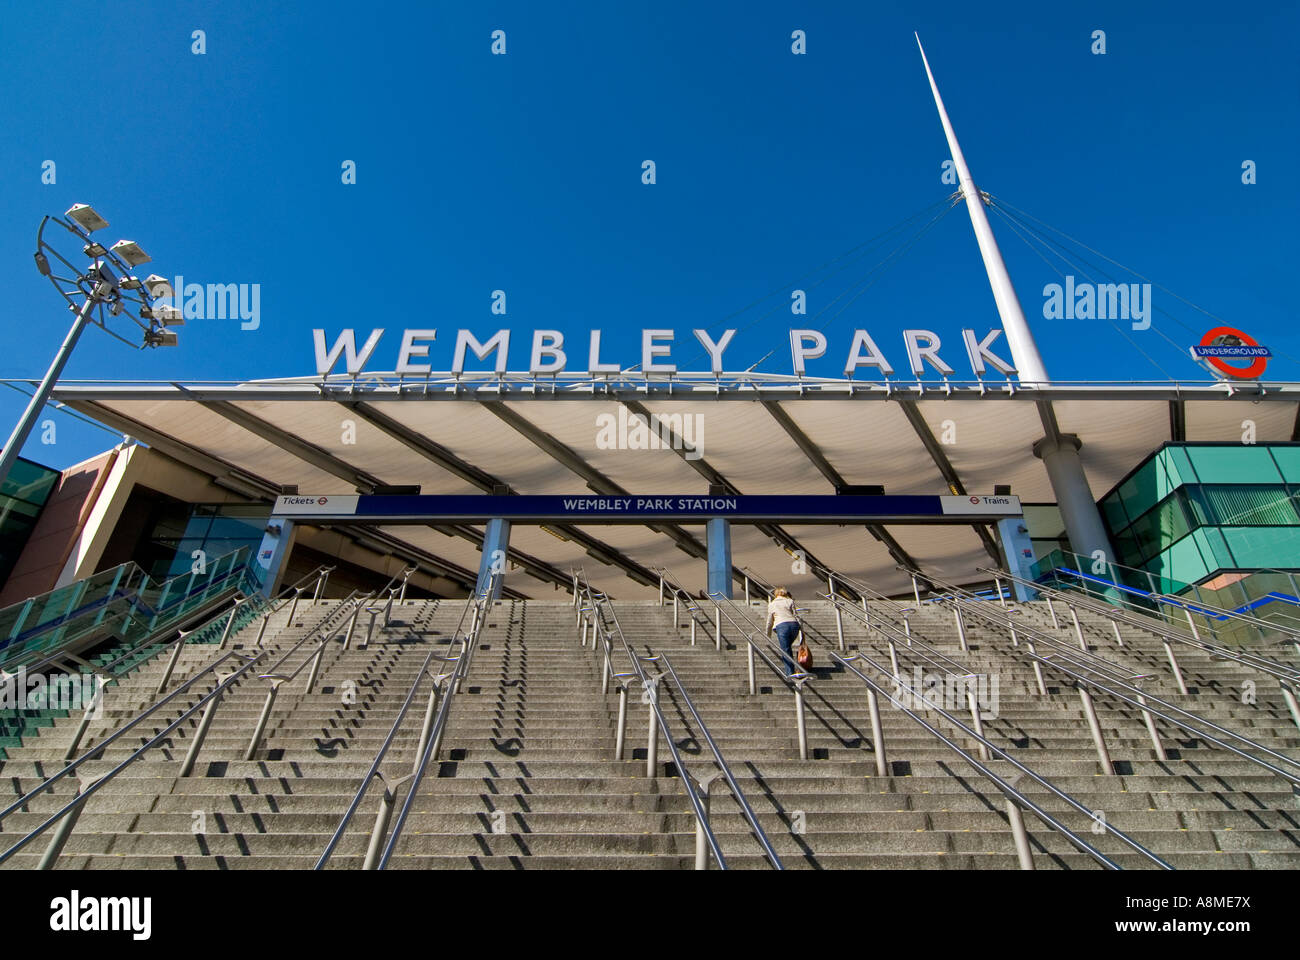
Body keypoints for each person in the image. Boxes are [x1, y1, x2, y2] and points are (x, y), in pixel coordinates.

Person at [765, 587, 801, 676]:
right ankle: (796, 668)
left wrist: (768, 635)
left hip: (781, 625)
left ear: (776, 594)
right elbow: (796, 615)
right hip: (794, 625)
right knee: (788, 647)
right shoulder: (790, 601)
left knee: (785, 650)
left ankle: (790, 673)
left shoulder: (772, 604)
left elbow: (769, 621)